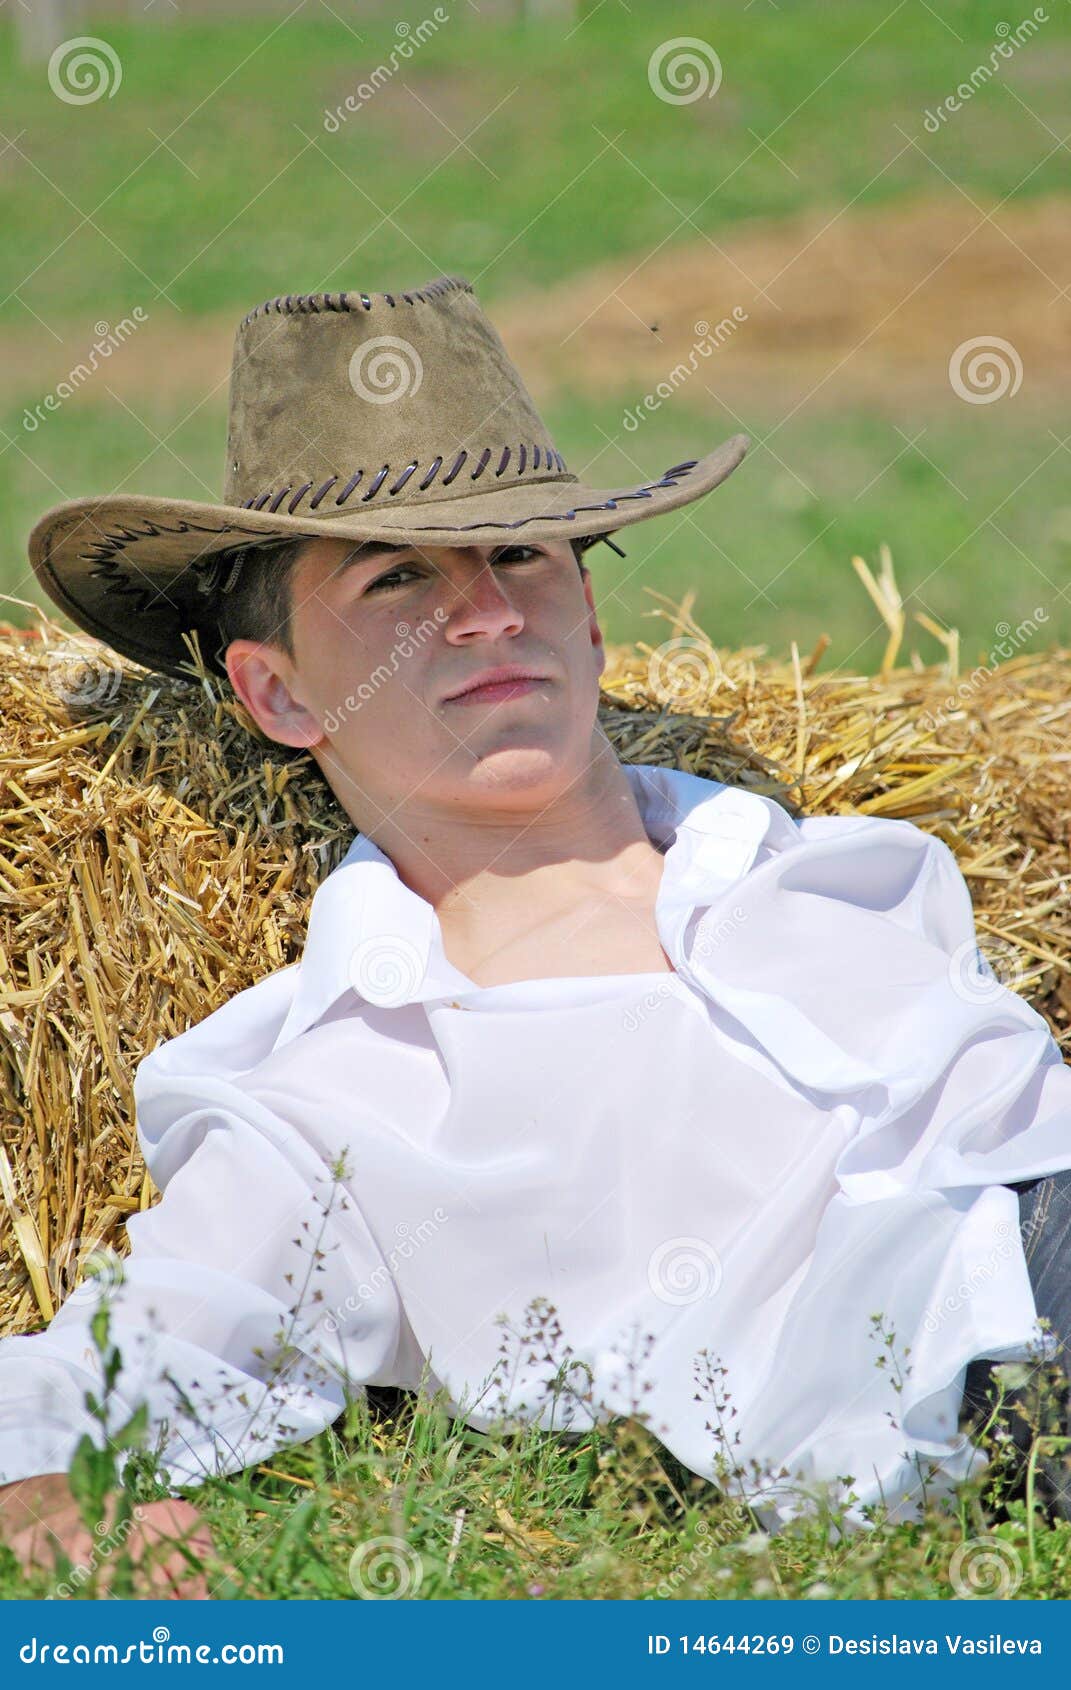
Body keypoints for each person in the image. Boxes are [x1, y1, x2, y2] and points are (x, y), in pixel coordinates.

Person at [4, 276, 1070, 1582]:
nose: (491, 611)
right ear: (275, 689)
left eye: (520, 555)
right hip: (990, 1359)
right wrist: (44, 1483)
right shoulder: (333, 1086)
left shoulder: (819, 861)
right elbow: (150, 1338)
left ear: (592, 613)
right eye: (400, 575)